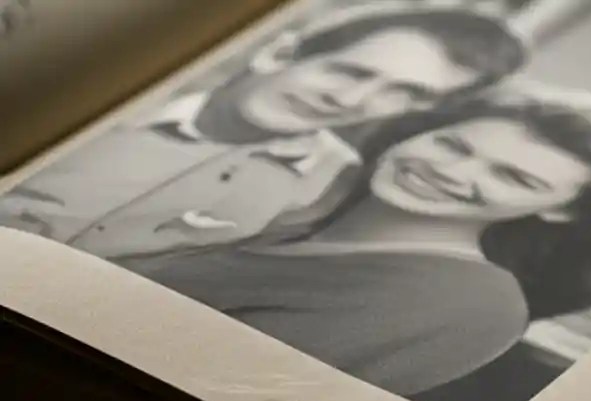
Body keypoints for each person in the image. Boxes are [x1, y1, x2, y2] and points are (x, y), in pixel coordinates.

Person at [124, 87, 591, 398]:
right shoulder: (298, 201)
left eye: (514, 177)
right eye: (452, 145)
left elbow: (212, 400)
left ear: (564, 210)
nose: (449, 172)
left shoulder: (467, 302)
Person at [0, 5, 526, 255]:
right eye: (347, 71)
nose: (349, 102)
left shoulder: (333, 183)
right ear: (281, 51)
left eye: (403, 93)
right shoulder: (113, 85)